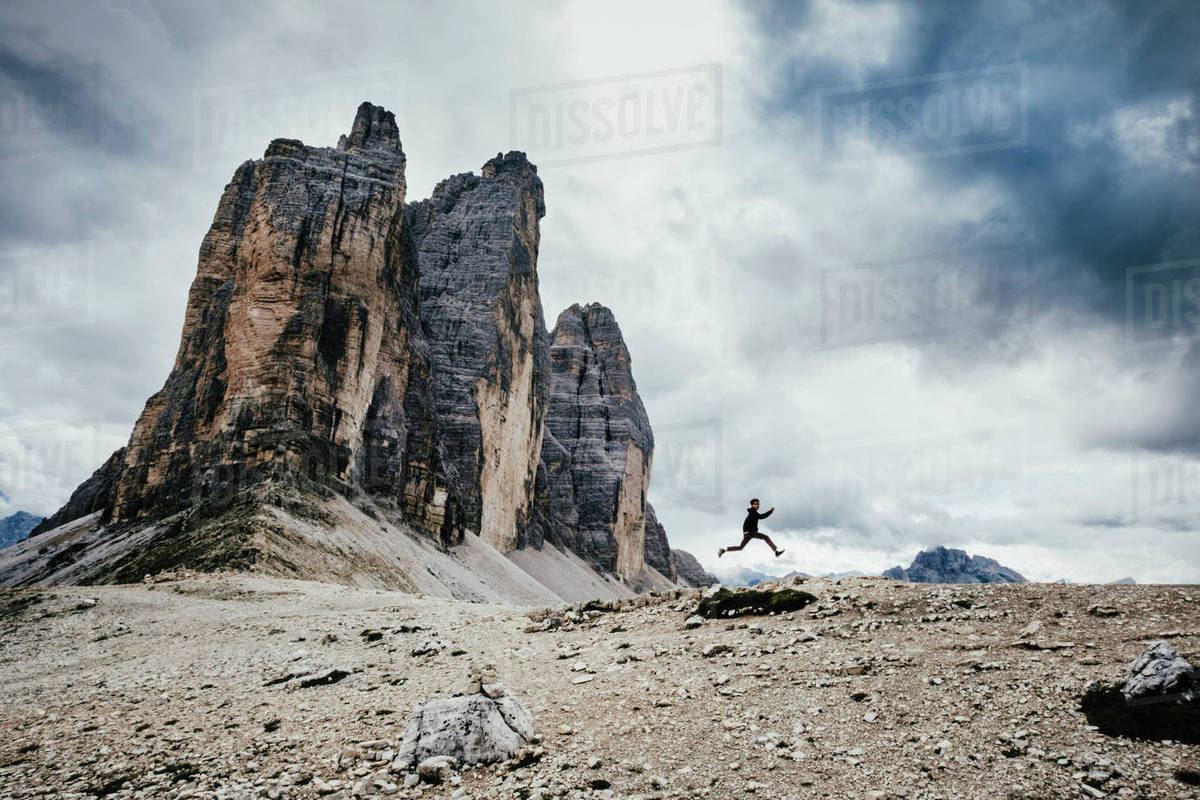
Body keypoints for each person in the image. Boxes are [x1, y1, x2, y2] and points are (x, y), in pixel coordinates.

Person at [718, 498, 784, 558]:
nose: (758, 505)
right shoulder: (753, 512)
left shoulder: (753, 512)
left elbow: (758, 517)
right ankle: (776, 552)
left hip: (747, 533)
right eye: (756, 504)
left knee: (740, 547)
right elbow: (762, 516)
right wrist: (770, 511)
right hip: (750, 533)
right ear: (752, 505)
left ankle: (723, 550)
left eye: (759, 504)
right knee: (766, 537)